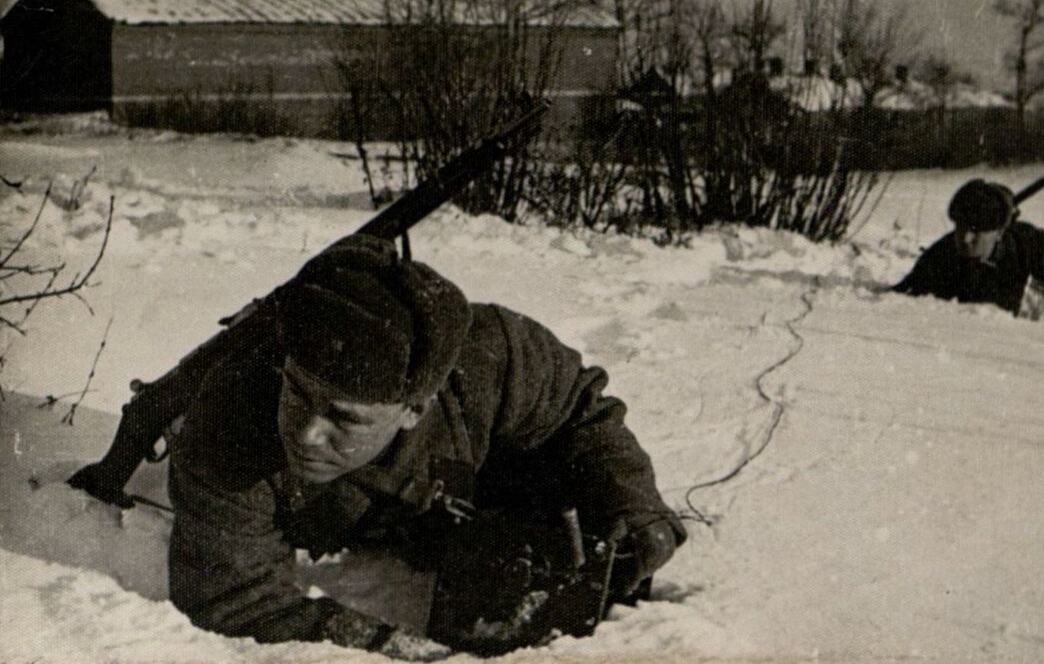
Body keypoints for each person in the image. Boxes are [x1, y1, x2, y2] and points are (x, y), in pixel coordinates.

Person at [166, 233, 685, 657]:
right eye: (298, 393)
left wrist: (632, 502)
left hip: (468, 497)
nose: (306, 433)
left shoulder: (492, 359)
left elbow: (582, 412)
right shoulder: (228, 419)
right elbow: (236, 597)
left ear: (416, 406)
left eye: (343, 417)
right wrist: (385, 645)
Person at [892, 178, 1044, 321]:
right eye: (961, 228)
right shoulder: (940, 257)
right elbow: (902, 296)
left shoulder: (1032, 245)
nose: (966, 238)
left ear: (999, 232)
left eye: (977, 232)